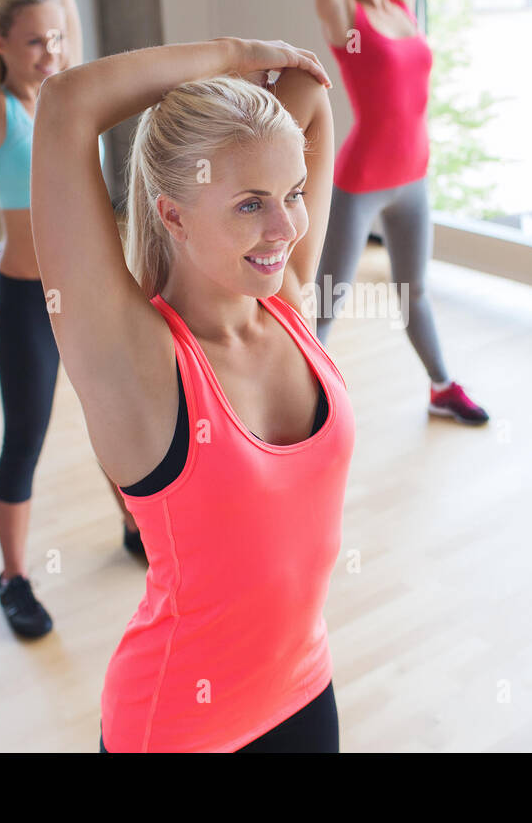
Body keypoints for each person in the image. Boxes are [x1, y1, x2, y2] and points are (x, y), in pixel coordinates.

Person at [29, 36, 356, 751]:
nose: (286, 228)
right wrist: (235, 54)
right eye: (249, 205)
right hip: (182, 727)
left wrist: (253, 102)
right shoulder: (135, 361)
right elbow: (65, 107)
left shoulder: (284, 301)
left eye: (293, 194)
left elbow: (312, 90)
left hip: (304, 692)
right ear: (172, 214)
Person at [0, 0, 140, 641]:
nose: (51, 52)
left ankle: (135, 522)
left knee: (116, 416)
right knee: (25, 438)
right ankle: (13, 578)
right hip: (25, 303)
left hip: (86, 295)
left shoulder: (72, 96)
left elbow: (70, 12)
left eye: (57, 39)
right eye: (32, 42)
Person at [313, 0, 488, 424]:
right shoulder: (346, 16)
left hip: (413, 179)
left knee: (414, 293)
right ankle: (297, 401)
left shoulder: (401, 4)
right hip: (361, 182)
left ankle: (441, 387)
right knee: (326, 304)